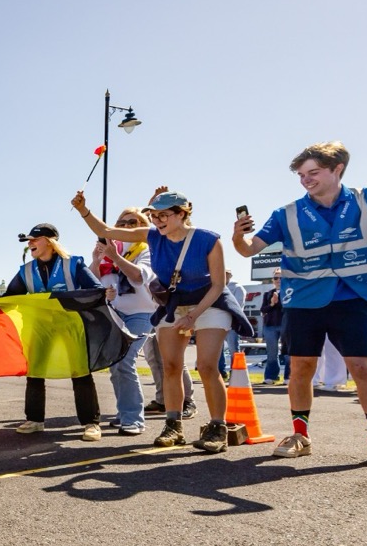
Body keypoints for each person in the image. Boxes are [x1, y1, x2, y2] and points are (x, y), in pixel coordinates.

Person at [233, 142, 367, 470]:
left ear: (338, 169)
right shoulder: (285, 213)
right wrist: (238, 236)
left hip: (355, 299)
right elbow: (248, 250)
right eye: (301, 175)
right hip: (304, 302)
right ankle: (300, 435)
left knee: (364, 368)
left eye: (313, 172)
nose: (305, 180)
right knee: (301, 368)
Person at [79, 190, 250, 452]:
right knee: (170, 366)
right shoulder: (151, 235)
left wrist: (193, 316)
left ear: (182, 214)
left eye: (163, 215)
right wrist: (83, 209)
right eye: (154, 215)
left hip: (209, 302)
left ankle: (218, 427)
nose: (157, 220)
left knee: (207, 366)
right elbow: (105, 230)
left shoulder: (208, 240)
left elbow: (218, 285)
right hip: (174, 303)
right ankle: (173, 426)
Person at [2, 221, 105, 441]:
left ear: (49, 242)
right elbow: (8, 297)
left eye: (34, 239)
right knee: (35, 371)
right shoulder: (26, 270)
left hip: (71, 326)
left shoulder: (73, 263)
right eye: (28, 240)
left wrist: (66, 301)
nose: (30, 243)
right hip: (40, 327)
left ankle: (91, 423)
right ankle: (34, 420)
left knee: (81, 372)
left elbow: (95, 290)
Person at [78, 205, 156, 436]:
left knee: (125, 361)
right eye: (121, 223)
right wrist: (96, 260)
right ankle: (124, 413)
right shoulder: (109, 249)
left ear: (143, 227)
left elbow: (138, 277)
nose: (126, 226)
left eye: (132, 223)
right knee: (115, 364)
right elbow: (91, 283)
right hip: (114, 312)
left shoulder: (147, 249)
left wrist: (115, 257)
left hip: (141, 313)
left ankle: (134, 419)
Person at [216, 271, 248, 380]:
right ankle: (220, 372)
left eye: (227, 274)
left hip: (232, 324)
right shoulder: (217, 286)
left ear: (230, 276)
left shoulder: (238, 288)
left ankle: (235, 374)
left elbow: (238, 306)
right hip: (218, 323)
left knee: (233, 348)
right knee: (218, 349)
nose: (224, 276)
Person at [259, 268, 286, 385]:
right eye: (276, 278)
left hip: (285, 324)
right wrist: (272, 303)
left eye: (281, 278)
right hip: (270, 325)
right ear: (273, 280)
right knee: (271, 353)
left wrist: (278, 302)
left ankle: (289, 376)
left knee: (287, 352)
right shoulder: (268, 294)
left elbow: (288, 308)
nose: (278, 280)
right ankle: (271, 376)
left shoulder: (289, 292)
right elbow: (263, 310)